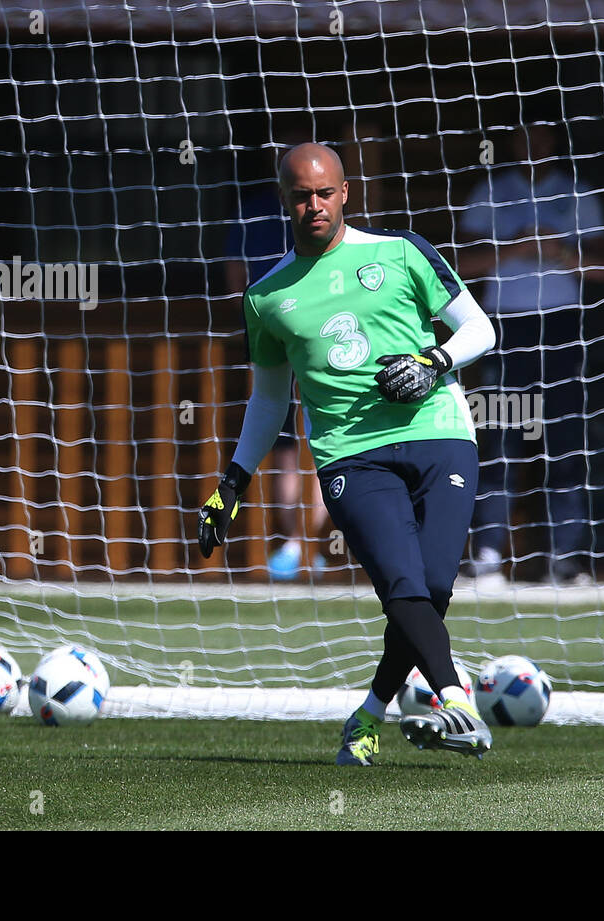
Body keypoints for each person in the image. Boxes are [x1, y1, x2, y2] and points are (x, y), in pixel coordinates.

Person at [198, 142, 498, 765]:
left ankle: (368, 713)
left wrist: (433, 361)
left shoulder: (404, 251)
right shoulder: (266, 297)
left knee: (434, 585)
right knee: (401, 583)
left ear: (345, 193)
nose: (314, 205)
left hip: (441, 434)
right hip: (350, 455)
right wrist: (232, 483)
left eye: (325, 192)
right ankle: (456, 698)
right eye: (301, 195)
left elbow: (480, 329)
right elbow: (268, 400)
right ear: (284, 199)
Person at [456, 123, 604, 584]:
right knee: (502, 438)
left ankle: (564, 558)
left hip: (562, 327)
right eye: (524, 137)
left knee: (562, 440)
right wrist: (515, 247)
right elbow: (460, 265)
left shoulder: (575, 191)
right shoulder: (492, 191)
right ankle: (487, 556)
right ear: (511, 142)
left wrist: (559, 251)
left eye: (542, 136)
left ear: (555, 140)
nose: (533, 146)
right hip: (505, 327)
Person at [225, 171, 329, 580]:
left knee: (318, 447)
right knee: (286, 447)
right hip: (280, 341)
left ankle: (305, 545)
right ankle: (297, 545)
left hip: (320, 343)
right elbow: (235, 277)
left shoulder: (325, 220)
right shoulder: (254, 214)